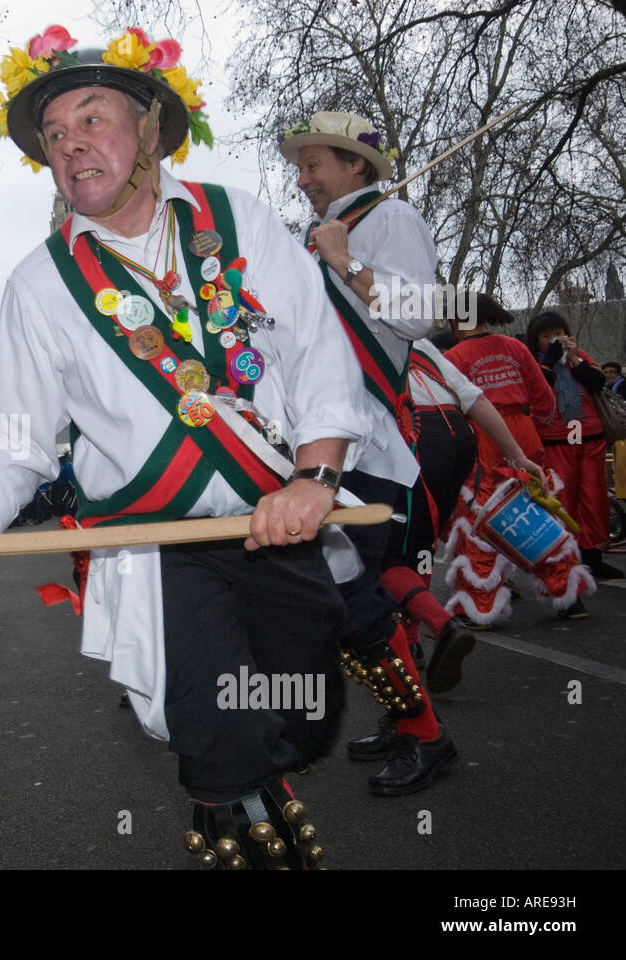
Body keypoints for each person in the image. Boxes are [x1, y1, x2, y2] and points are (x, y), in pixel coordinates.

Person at [0, 25, 372, 868]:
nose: (72, 145)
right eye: (54, 135)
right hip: (163, 550)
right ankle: (235, 806)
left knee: (301, 717)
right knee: (220, 744)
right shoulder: (39, 284)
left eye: (92, 119)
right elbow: (17, 438)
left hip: (284, 523)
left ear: (150, 128)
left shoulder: (241, 222)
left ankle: (261, 773)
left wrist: (315, 479)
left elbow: (319, 357)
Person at [280, 111, 456, 794]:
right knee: (363, 586)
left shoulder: (390, 219)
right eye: (299, 168)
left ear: (357, 163)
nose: (303, 180)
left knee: (347, 594)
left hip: (366, 439)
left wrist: (344, 261)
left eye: (314, 164)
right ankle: (407, 714)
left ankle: (426, 733)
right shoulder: (320, 235)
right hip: (324, 439)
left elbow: (419, 314)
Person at [385, 340, 544, 694]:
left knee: (380, 553)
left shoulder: (344, 324)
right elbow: (476, 401)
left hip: (411, 435)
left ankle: (429, 631)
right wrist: (517, 457)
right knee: (421, 543)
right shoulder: (421, 343)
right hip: (456, 435)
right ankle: (413, 637)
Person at [443, 295, 593, 622]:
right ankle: (569, 597)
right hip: (523, 434)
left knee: (480, 517)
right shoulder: (516, 348)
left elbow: (449, 409)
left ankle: (480, 606)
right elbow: (543, 399)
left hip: (483, 437)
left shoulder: (452, 357)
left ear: (455, 321)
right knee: (535, 514)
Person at [526, 312, 622, 582]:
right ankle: (564, 557)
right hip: (555, 440)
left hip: (589, 437)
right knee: (562, 499)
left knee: (593, 499)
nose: (554, 339)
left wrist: (575, 359)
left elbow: (597, 383)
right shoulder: (534, 363)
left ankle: (592, 557)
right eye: (547, 336)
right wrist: (549, 361)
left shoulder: (580, 358)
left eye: (559, 333)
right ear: (537, 341)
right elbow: (538, 391)